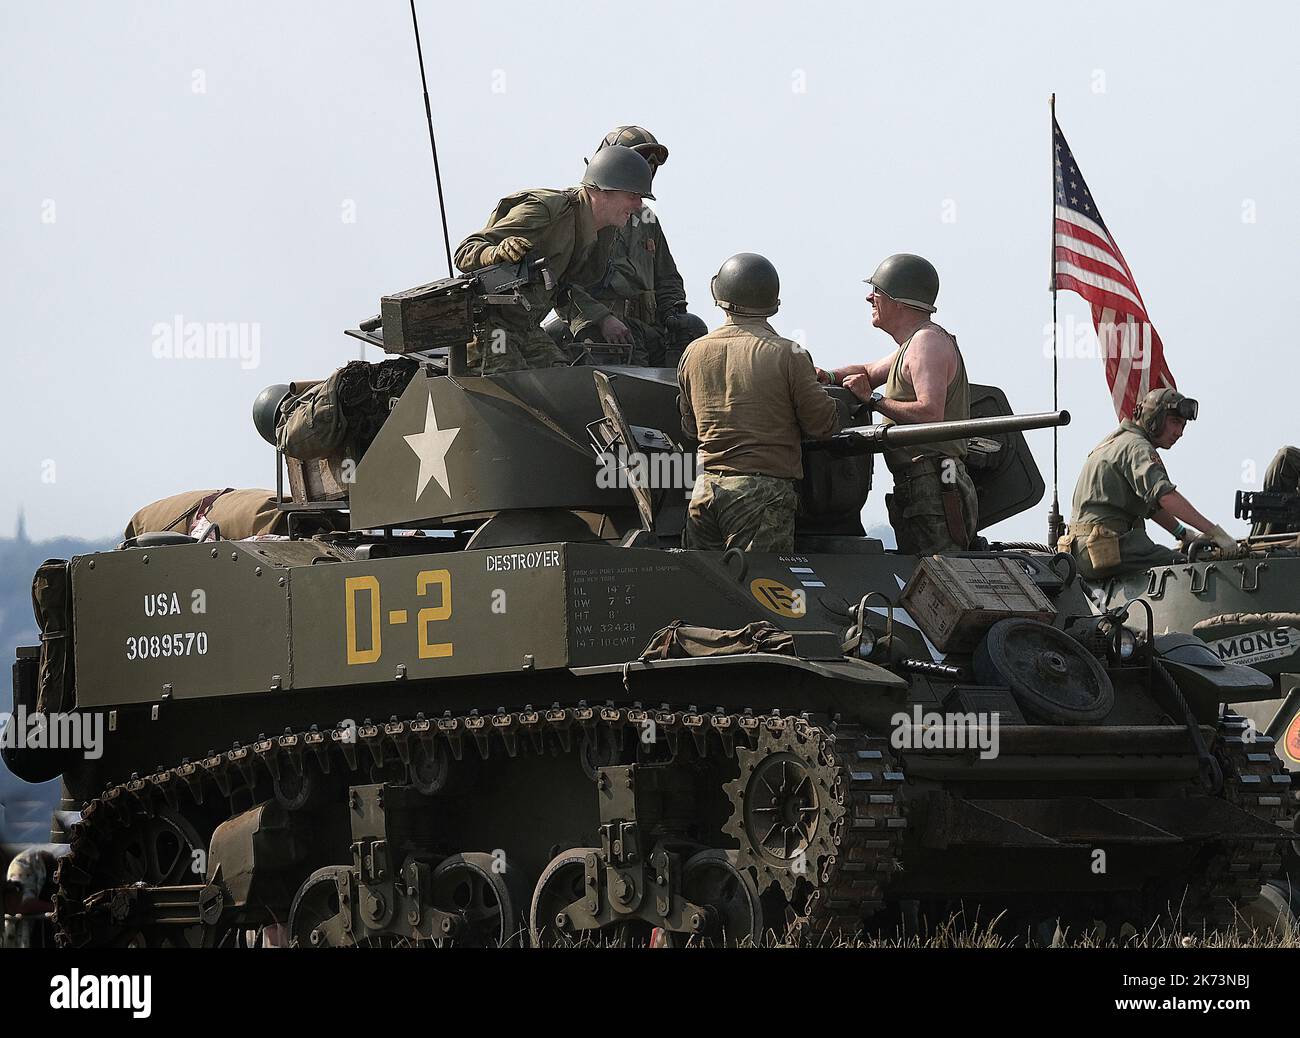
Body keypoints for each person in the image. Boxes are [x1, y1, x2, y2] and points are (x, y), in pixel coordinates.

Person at [678, 253, 840, 552]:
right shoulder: (789, 354)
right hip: (763, 495)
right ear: (772, 302)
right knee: (762, 590)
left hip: (704, 491)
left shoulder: (693, 353)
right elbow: (822, 425)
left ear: (721, 296)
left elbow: (690, 428)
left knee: (703, 592)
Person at [819, 253, 977, 555]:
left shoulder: (926, 343)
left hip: (934, 482)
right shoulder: (914, 344)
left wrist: (875, 400)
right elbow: (867, 372)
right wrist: (826, 376)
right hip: (921, 482)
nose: (870, 297)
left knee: (937, 578)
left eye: (877, 292)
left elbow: (931, 414)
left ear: (899, 301)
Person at [453, 146, 654, 374]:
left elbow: (562, 289)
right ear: (602, 191)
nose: (639, 205)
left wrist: (602, 318)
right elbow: (465, 251)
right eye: (632, 196)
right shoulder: (547, 210)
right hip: (491, 328)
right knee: (513, 385)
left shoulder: (599, 231)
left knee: (562, 383)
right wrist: (496, 252)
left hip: (527, 329)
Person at [554, 126, 705, 366]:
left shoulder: (646, 219)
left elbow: (668, 279)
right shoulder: (579, 211)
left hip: (644, 328)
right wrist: (601, 319)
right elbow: (557, 282)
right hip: (597, 328)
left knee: (692, 332)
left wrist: (674, 315)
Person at [1060, 387, 1243, 581]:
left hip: (1082, 550)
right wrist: (1215, 533)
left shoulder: (1114, 442)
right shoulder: (1137, 447)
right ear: (1154, 419)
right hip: (1103, 548)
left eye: (1182, 426)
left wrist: (1183, 533)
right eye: (1174, 422)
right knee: (1188, 568)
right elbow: (1165, 496)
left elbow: (1151, 507)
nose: (1179, 432)